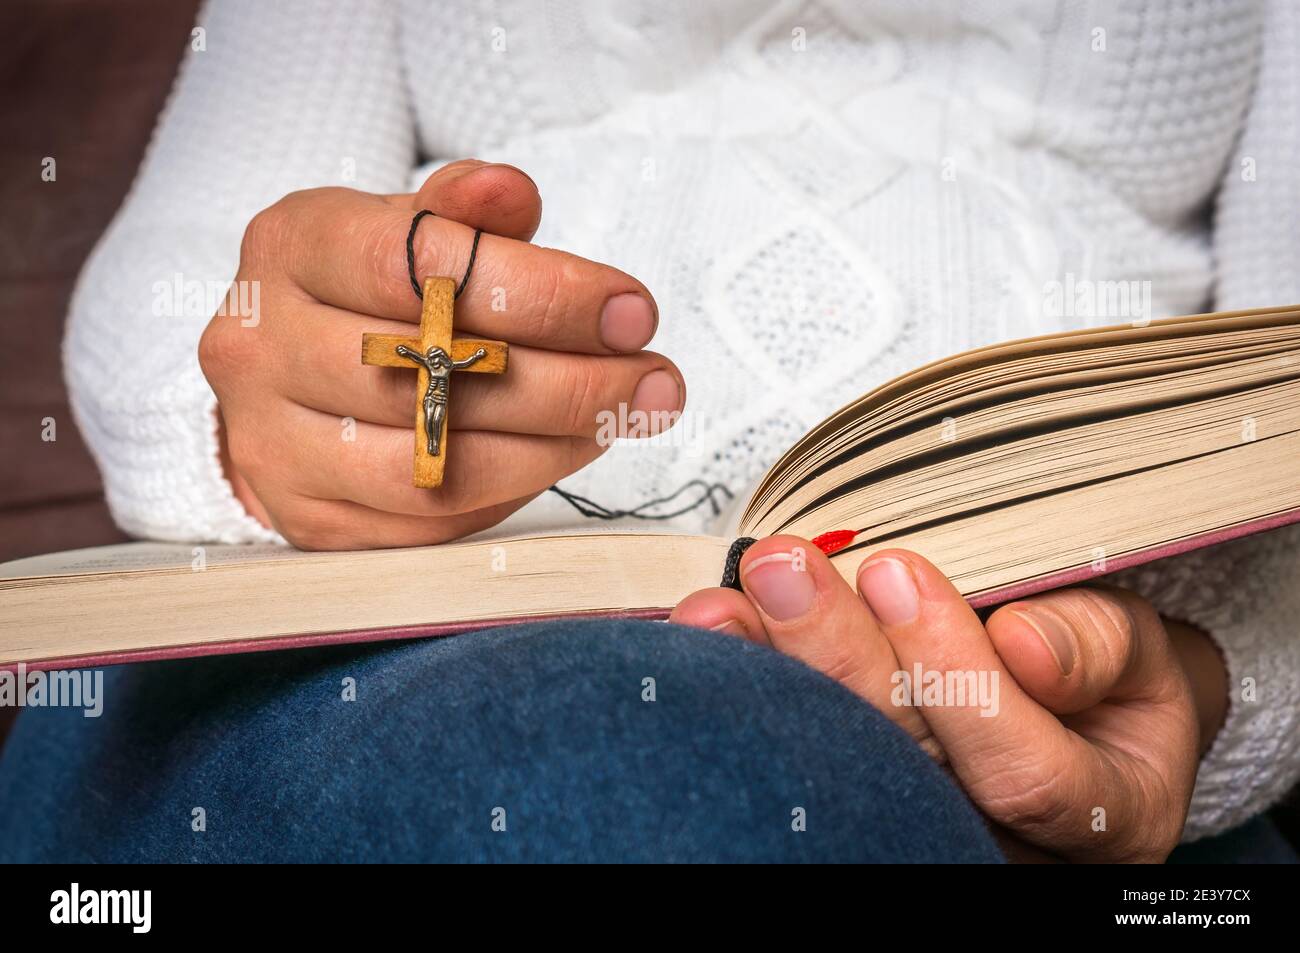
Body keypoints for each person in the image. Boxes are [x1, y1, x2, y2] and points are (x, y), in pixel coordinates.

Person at [4, 0, 1297, 861]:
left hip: (1063, 695)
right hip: (384, 640)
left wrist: (1206, 675)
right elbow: (168, 299)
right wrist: (260, 427)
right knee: (614, 756)